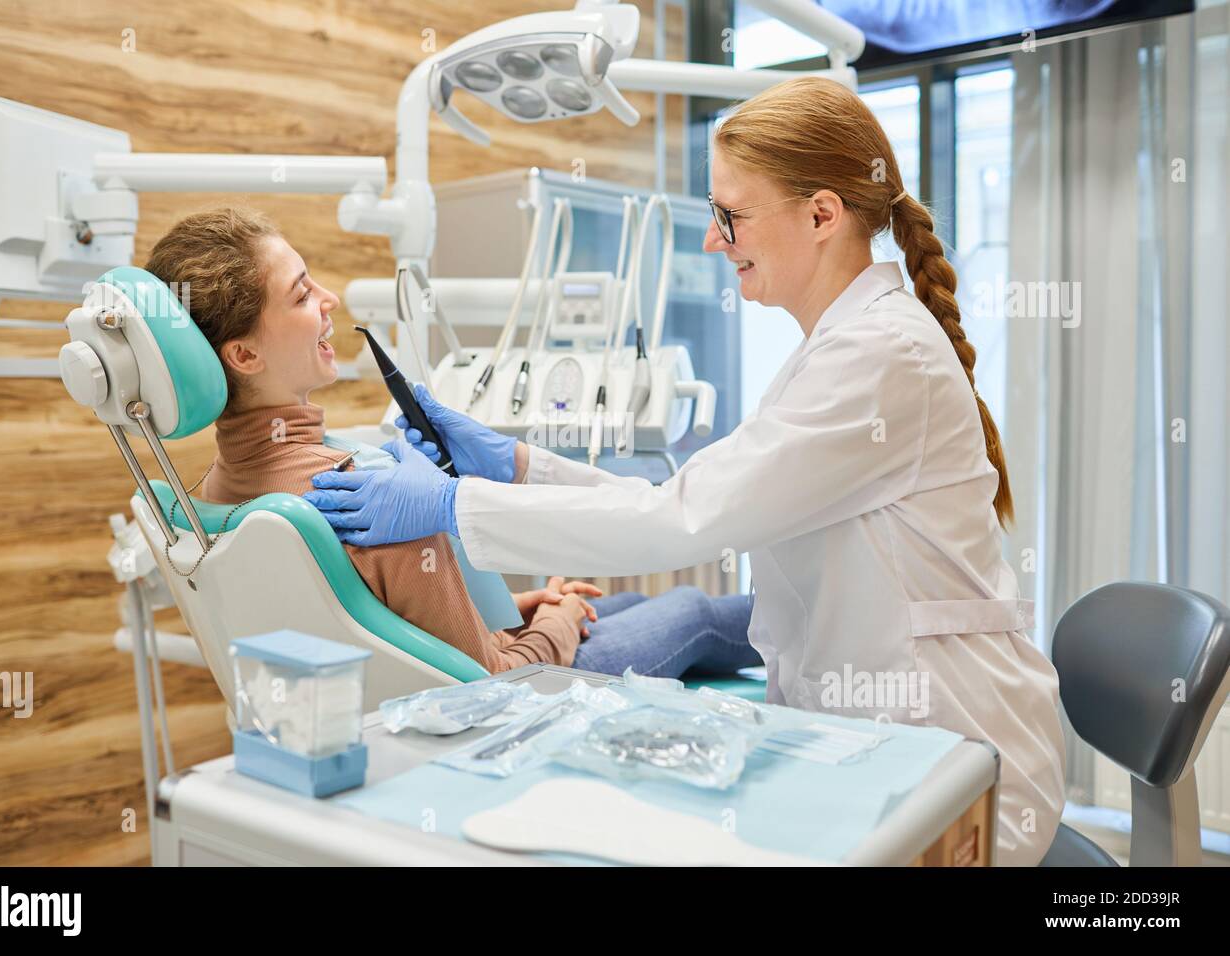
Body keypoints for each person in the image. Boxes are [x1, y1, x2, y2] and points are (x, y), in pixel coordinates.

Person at [303, 77, 1068, 866]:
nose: (712, 239)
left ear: (822, 214)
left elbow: (681, 519)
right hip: (877, 737)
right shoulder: (836, 351)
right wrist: (516, 464)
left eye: (730, 215)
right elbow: (686, 499)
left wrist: (456, 504)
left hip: (953, 749)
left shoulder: (880, 357)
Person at [144, 208, 761, 679]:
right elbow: (492, 683)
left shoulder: (205, 497)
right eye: (303, 295)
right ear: (243, 354)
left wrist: (523, 607)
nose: (330, 300)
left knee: (617, 601)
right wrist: (556, 622)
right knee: (691, 609)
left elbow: (372, 620)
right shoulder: (362, 495)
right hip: (522, 702)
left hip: (406, 692)